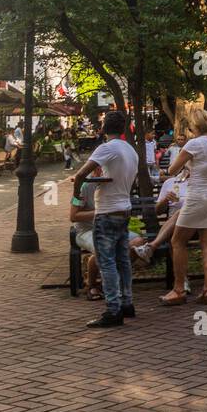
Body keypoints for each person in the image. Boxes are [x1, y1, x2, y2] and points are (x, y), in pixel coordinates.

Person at [72, 110, 140, 327]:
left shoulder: (107, 148)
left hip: (107, 211)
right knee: (122, 260)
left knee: (106, 261)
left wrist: (76, 192)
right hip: (124, 208)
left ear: (103, 128)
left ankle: (113, 309)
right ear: (123, 128)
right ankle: (127, 303)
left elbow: (83, 173)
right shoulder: (131, 150)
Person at [161, 109, 207, 306]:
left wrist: (189, 168)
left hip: (197, 196)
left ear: (194, 126)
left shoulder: (194, 143)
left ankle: (178, 289)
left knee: (177, 241)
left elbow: (172, 169)